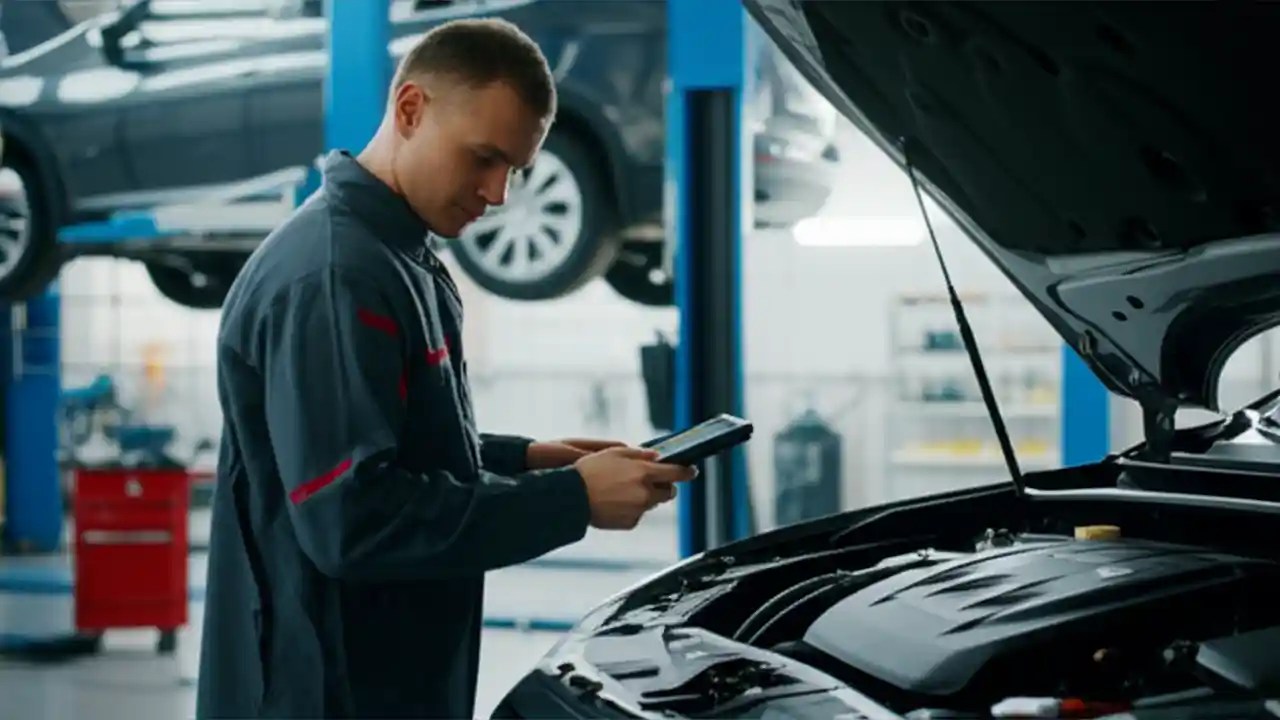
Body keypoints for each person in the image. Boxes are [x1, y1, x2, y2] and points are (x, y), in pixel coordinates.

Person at [195, 18, 696, 720]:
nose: (499, 195)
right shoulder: (336, 277)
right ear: (410, 109)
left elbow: (390, 445)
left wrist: (529, 460)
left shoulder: (402, 256)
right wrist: (571, 500)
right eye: (484, 158)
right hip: (324, 693)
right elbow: (353, 520)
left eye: (515, 170)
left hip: (385, 681)